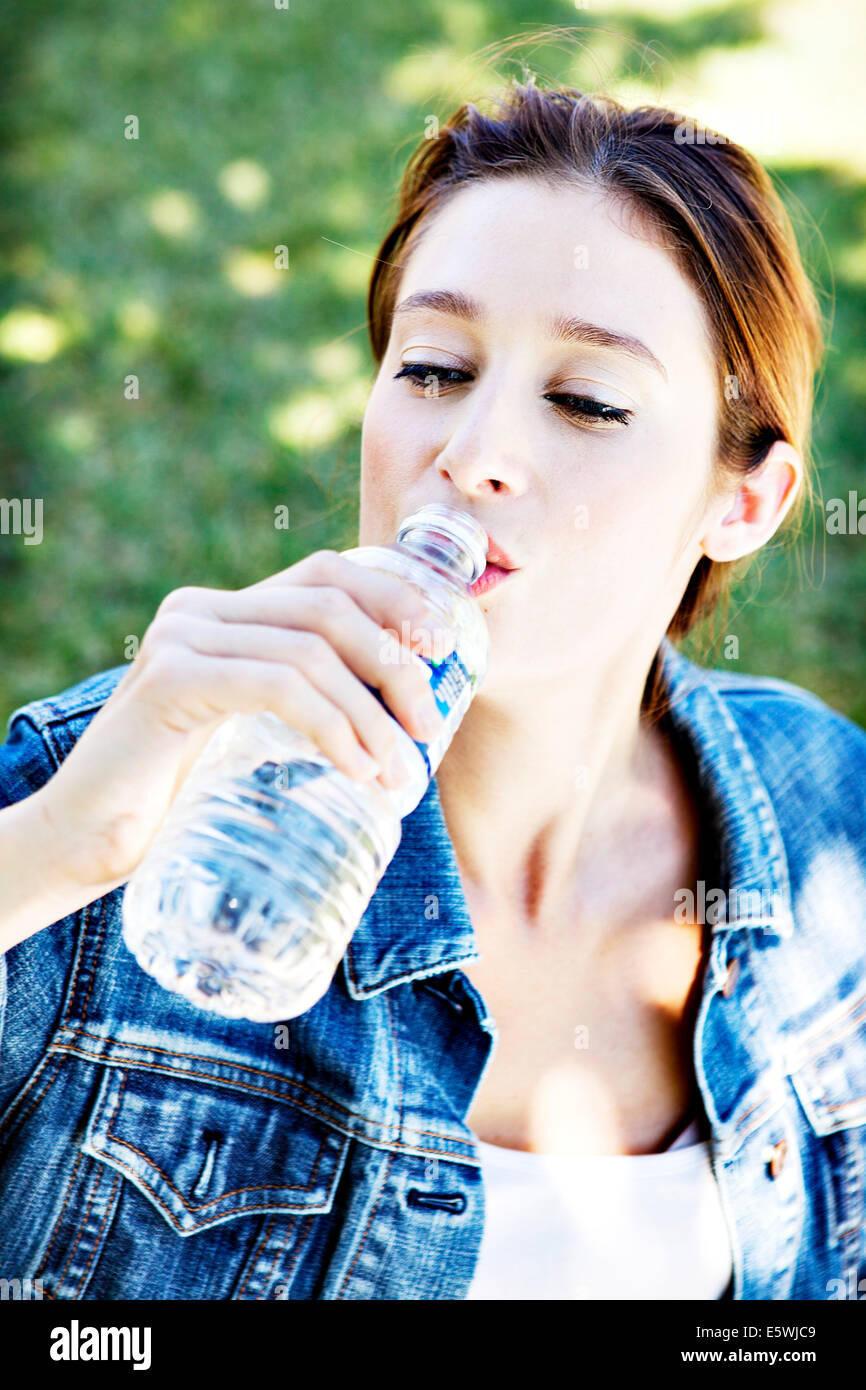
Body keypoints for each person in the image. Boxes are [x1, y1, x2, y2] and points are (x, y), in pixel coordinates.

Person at [1, 76, 864, 1302]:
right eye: (433, 369)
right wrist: (54, 849)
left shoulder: (830, 814)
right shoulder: (116, 782)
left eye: (585, 400)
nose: (471, 456)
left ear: (742, 501)